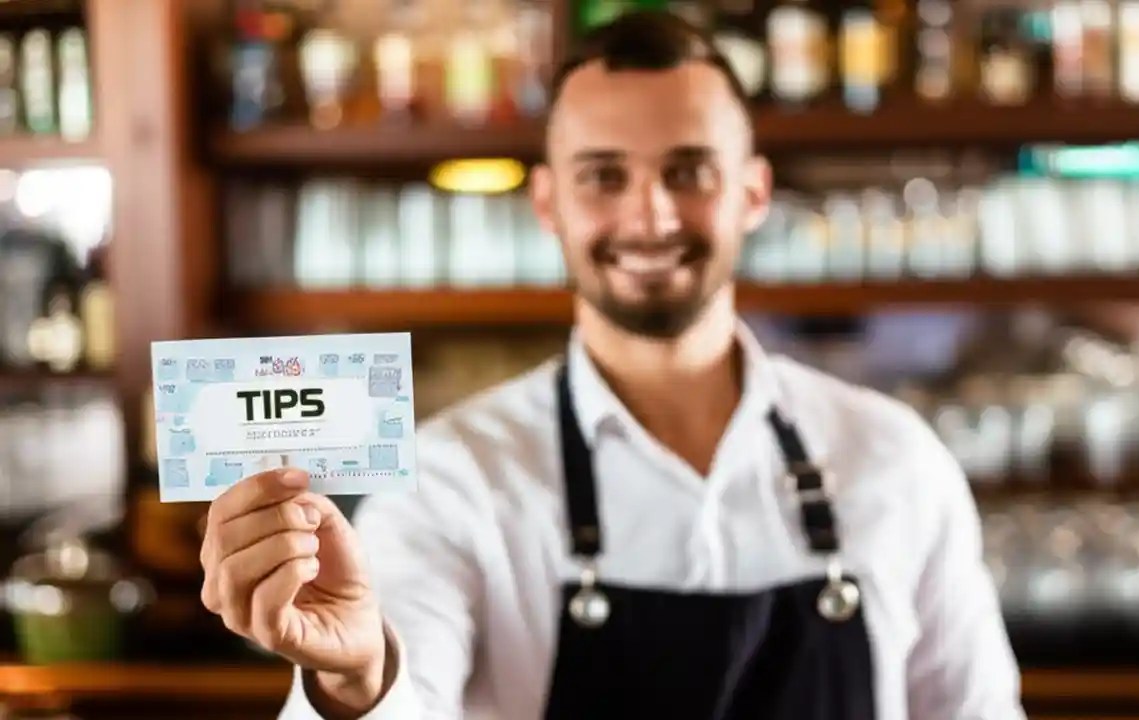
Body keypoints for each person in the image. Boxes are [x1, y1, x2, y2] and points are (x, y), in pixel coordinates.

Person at [198, 11, 1027, 720]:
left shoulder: (893, 457)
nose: (651, 214)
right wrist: (353, 678)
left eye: (689, 170)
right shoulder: (452, 481)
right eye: (604, 176)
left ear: (752, 192)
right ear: (549, 202)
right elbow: (407, 689)